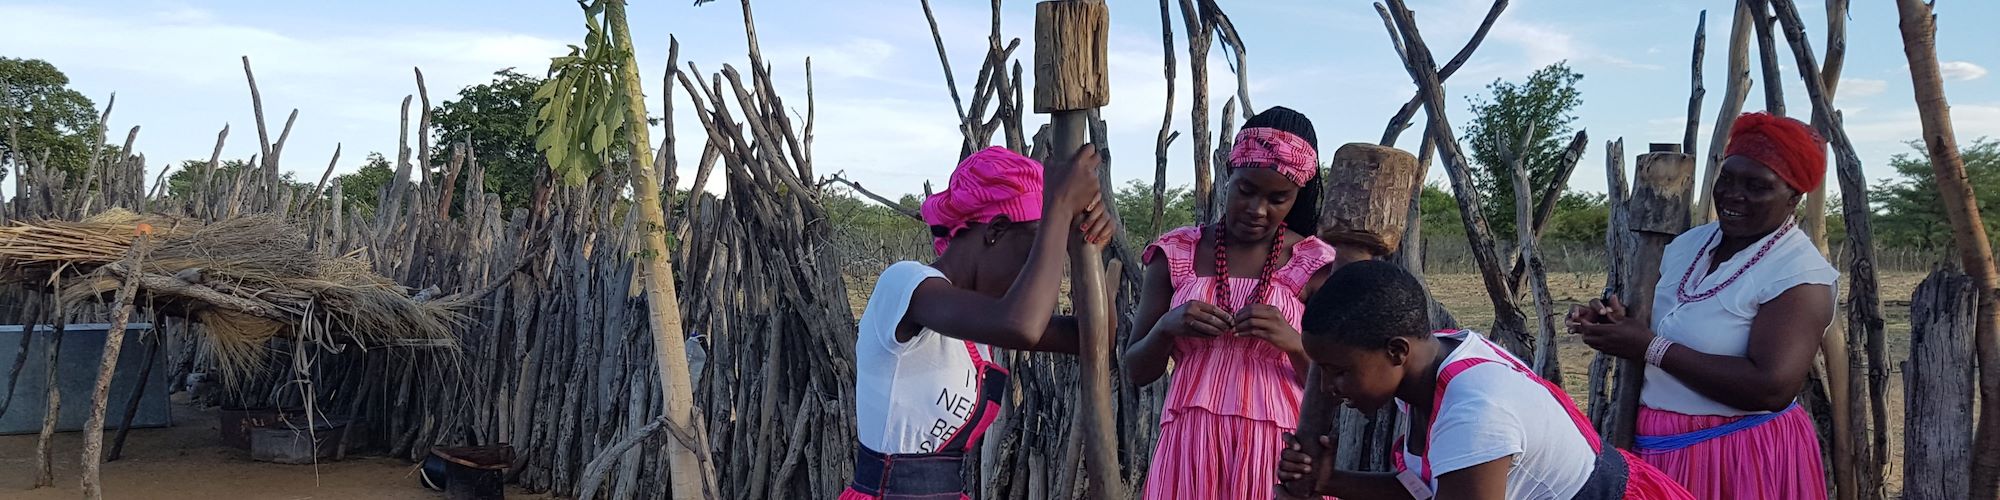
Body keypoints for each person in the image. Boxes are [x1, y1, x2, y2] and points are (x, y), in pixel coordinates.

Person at [1568, 112, 1836, 499]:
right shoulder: (1690, 246)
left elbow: (1770, 387)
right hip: (1658, 450)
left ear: (1794, 197)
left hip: (1741, 458)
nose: (1733, 194)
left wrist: (1647, 346)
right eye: (1726, 178)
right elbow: (1666, 327)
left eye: (1756, 186)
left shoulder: (1799, 275)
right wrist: (1613, 325)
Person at [1276, 261, 1693, 500]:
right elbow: (1427, 491)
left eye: (1339, 371)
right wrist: (1330, 481)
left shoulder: (1475, 413)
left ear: (1397, 351)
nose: (1328, 388)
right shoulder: (1428, 360)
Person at [843, 145, 1113, 500]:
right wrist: (1059, 210)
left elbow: (1092, 338)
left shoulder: (976, 323)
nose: (1039, 275)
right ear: (995, 231)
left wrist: (1085, 246)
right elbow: (1022, 325)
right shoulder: (905, 285)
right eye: (1035, 252)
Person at [1123, 106, 1338, 500]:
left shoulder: (1315, 264)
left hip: (1278, 449)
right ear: (1228, 175)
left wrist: (1293, 342)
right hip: (1190, 445)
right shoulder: (1176, 253)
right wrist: (1167, 327)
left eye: (1278, 198)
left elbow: (1337, 383)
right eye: (1246, 190)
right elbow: (1137, 370)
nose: (1257, 210)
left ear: (1298, 196)